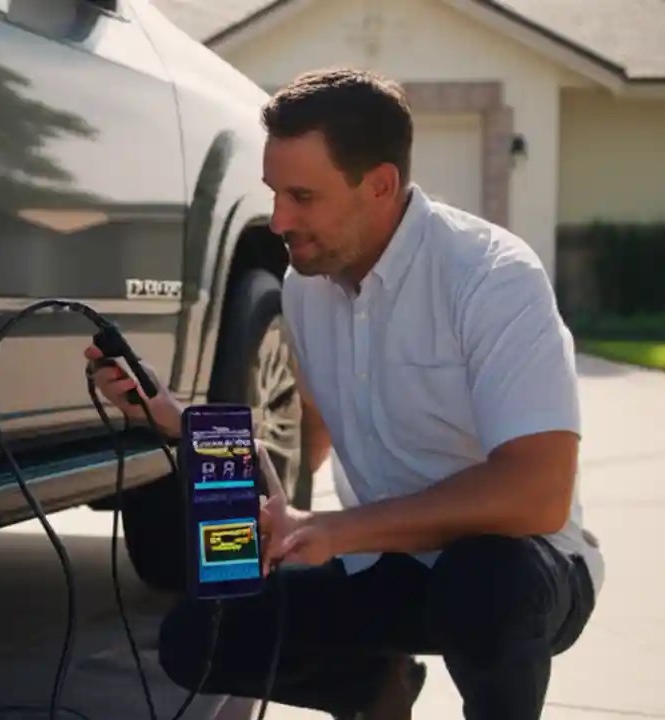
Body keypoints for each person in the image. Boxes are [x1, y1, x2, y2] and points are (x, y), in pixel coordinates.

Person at [83, 67, 602, 720]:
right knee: (197, 637)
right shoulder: (307, 288)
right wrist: (178, 420)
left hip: (527, 571)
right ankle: (374, 695)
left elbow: (537, 493)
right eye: (274, 193)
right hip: (391, 568)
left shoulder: (492, 278)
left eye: (302, 195)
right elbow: (309, 441)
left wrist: (337, 528)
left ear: (379, 185)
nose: (278, 220)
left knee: (483, 583)